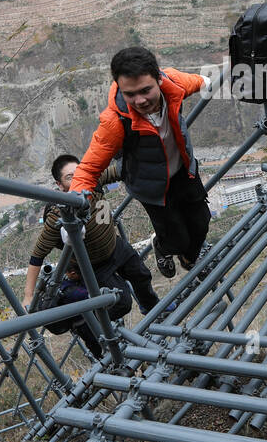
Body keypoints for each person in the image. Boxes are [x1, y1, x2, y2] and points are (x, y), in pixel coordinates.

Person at [69, 47, 211, 279]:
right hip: (150, 186)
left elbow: (194, 81)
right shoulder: (115, 122)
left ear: (159, 78)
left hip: (184, 172)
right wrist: (75, 209)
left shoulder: (173, 83)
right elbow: (89, 169)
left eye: (146, 90)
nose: (140, 100)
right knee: (176, 238)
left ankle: (189, 259)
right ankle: (163, 248)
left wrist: (209, 81)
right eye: (130, 94)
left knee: (202, 222)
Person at [22, 154, 162, 314]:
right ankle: (95, 327)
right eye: (70, 177)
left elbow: (121, 170)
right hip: (95, 265)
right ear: (60, 185)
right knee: (121, 302)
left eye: (79, 172)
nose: (77, 179)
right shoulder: (58, 215)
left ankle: (150, 306)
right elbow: (37, 255)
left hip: (115, 246)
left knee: (141, 275)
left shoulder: (93, 180)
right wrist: (29, 295)